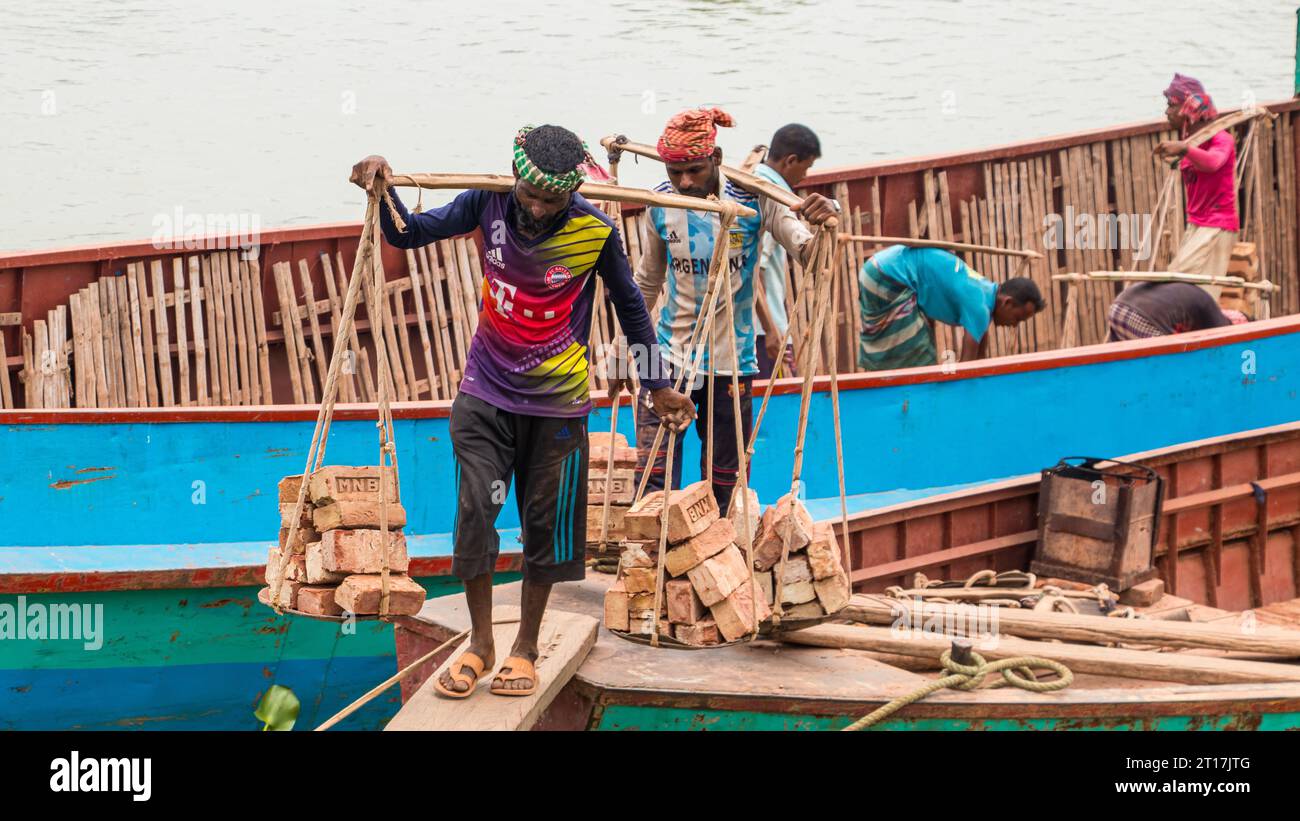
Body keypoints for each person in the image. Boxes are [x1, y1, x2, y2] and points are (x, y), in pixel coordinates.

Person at [350, 125, 695, 700]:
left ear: (569, 194)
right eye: (529, 195)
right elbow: (407, 233)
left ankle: (526, 648)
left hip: (558, 409)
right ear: (515, 179)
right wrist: (379, 187)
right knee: (475, 517)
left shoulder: (594, 230)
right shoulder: (486, 203)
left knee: (545, 530)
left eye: (550, 200)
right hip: (484, 395)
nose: (535, 208)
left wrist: (657, 384)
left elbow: (631, 308)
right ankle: (480, 644)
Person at [629, 107, 839, 515]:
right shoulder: (659, 203)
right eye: (676, 172)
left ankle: (720, 558)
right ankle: (648, 563)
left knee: (726, 480)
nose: (685, 181)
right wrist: (629, 354)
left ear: (717, 159)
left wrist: (826, 219)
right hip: (670, 360)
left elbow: (808, 252)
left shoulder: (755, 197)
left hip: (731, 363)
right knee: (654, 477)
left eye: (694, 170)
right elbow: (647, 284)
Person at [856, 245, 1042, 370]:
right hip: (887, 274)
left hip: (880, 264)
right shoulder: (980, 308)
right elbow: (967, 367)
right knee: (919, 357)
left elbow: (980, 359)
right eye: (1018, 318)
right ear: (1007, 302)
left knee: (909, 347)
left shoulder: (984, 292)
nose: (1015, 325)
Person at [1153, 73, 1238, 299]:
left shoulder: (1221, 139)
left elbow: (1213, 163)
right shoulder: (1190, 138)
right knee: (1190, 290)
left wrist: (1184, 150)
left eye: (1171, 104)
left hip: (1217, 225)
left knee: (1184, 283)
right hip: (1197, 224)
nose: (1166, 111)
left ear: (1188, 108)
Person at [753, 124, 823, 378]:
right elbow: (755, 271)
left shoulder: (750, 179)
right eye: (806, 167)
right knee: (776, 400)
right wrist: (771, 330)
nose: (805, 175)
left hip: (753, 329)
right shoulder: (773, 197)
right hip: (763, 333)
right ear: (790, 161)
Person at [1106, 281, 1231, 340]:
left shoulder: (1194, 297)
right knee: (1169, 364)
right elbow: (1223, 342)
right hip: (1141, 317)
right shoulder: (1214, 314)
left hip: (1116, 307)